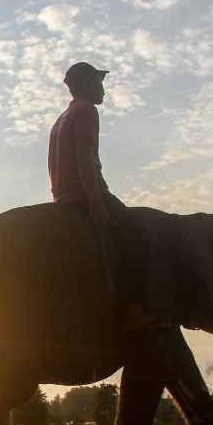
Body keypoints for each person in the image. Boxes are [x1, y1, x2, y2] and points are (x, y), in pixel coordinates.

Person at [48, 61, 165, 331]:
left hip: (63, 197)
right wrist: (97, 202)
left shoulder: (61, 119)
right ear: (88, 83)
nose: (103, 89)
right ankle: (134, 310)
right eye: (100, 82)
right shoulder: (87, 111)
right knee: (141, 237)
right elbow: (84, 156)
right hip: (84, 194)